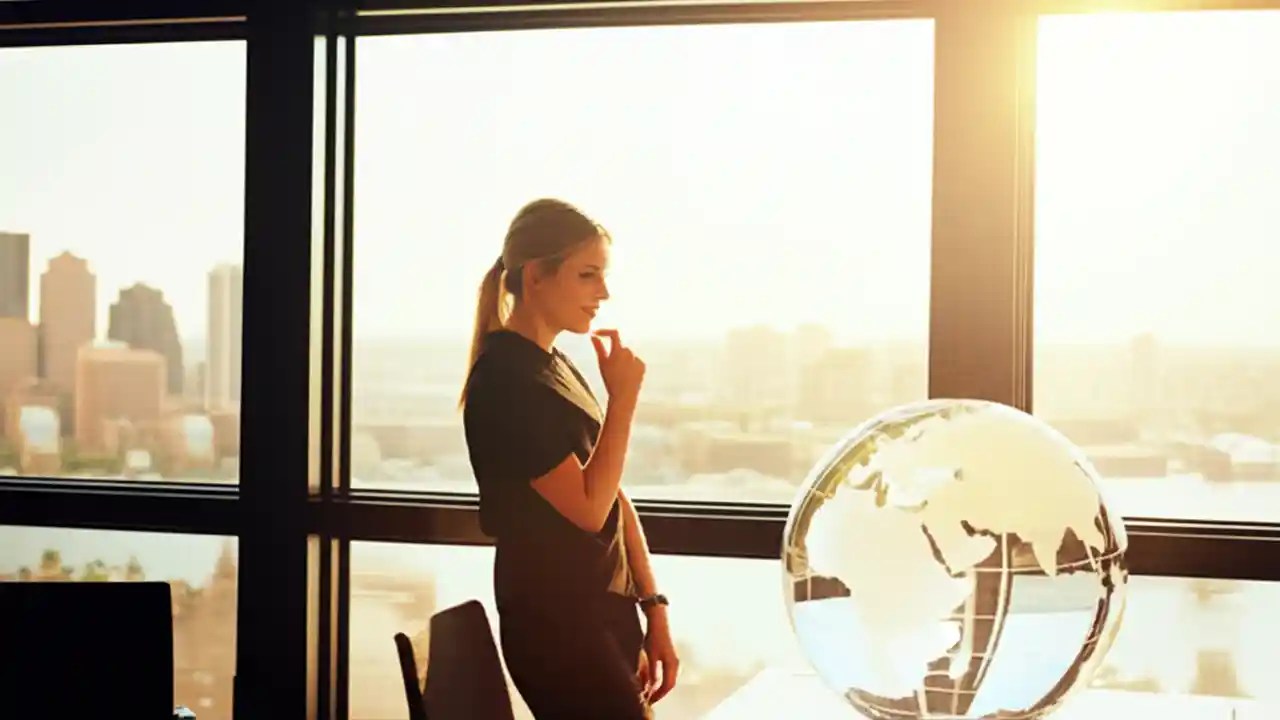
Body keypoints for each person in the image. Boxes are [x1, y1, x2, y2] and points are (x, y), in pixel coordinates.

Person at [460, 198, 679, 719]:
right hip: (558, 631)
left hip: (600, 619)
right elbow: (587, 508)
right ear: (536, 276)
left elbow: (613, 497)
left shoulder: (553, 366)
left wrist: (654, 610)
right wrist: (623, 401)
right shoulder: (507, 381)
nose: (602, 293)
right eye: (587, 275)